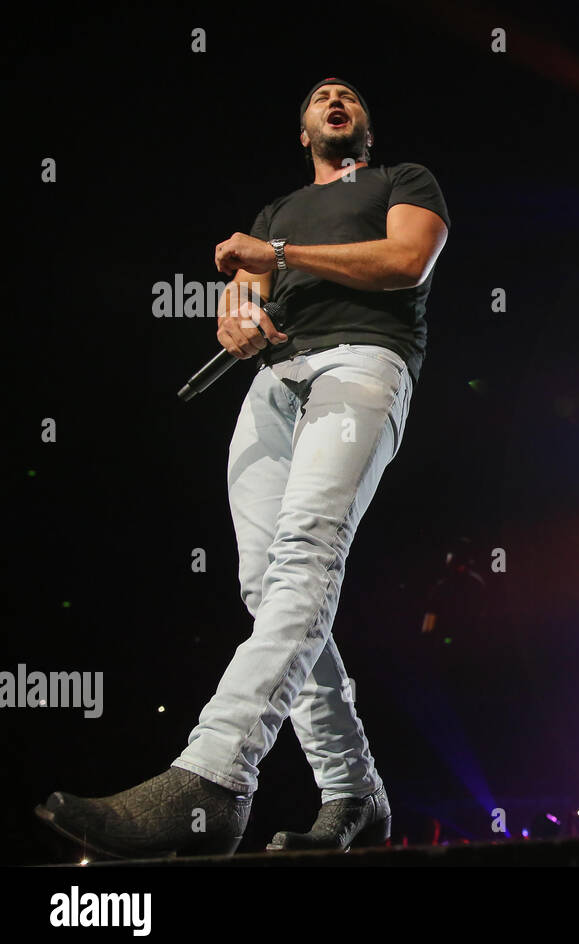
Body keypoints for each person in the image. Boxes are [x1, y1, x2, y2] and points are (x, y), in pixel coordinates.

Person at [35, 78, 450, 858]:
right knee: (266, 587)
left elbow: (407, 261)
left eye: (348, 96)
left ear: (363, 127)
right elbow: (246, 297)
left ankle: (214, 775)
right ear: (302, 133)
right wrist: (237, 318)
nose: (335, 99)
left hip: (361, 363)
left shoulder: (403, 181)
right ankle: (353, 791)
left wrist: (280, 256)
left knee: (303, 561)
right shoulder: (276, 212)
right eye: (320, 96)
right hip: (272, 383)